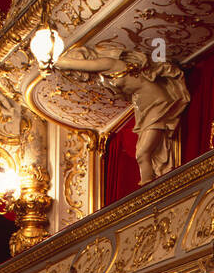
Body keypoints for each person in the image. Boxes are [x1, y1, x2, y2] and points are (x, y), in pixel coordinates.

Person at [54, 45, 190, 183]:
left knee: (142, 153)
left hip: (156, 101)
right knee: (145, 152)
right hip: (142, 108)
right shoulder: (104, 78)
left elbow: (70, 63)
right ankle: (152, 187)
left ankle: (149, 191)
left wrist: (49, 59)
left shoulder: (108, 63)